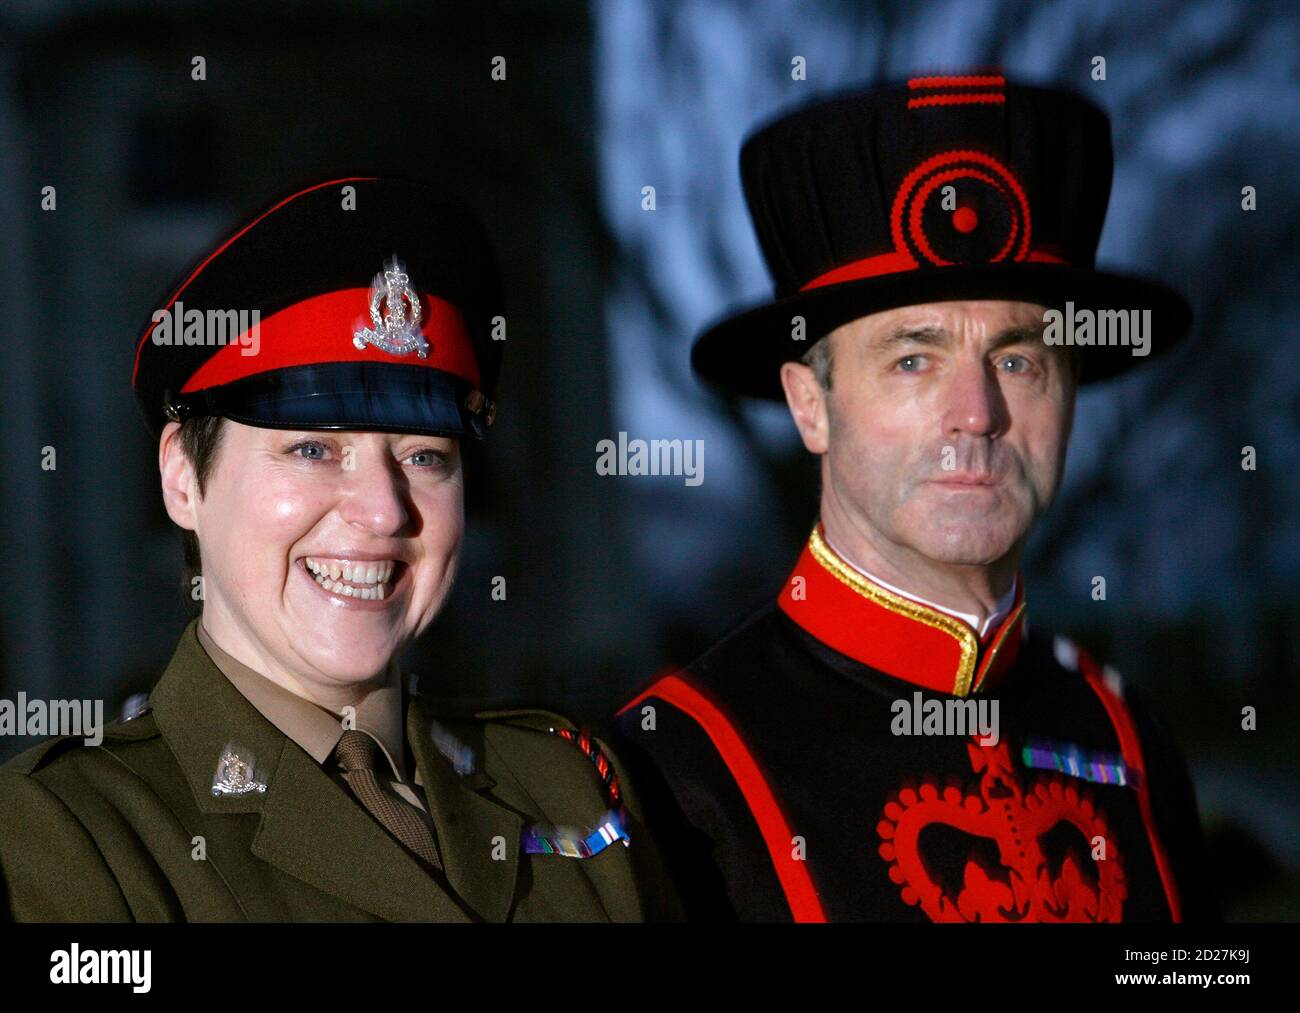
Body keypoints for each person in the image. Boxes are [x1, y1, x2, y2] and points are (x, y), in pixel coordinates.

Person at [615, 74, 1217, 922]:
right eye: (913, 359)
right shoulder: (671, 770)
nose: (977, 412)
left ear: (1071, 391)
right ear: (810, 404)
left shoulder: (1126, 737)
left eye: (1018, 359)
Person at [0, 176, 674, 922]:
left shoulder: (567, 787)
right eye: (313, 449)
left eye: (424, 456)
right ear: (183, 477)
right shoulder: (71, 834)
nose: (384, 510)